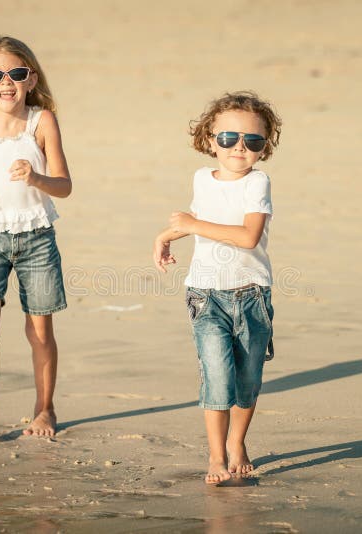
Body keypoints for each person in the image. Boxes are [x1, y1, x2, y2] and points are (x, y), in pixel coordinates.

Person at [153, 91, 281, 484]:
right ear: (210, 140)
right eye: (228, 138)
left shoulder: (257, 183)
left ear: (264, 147)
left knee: (248, 379)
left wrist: (191, 226)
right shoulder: (200, 179)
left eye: (252, 141)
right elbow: (199, 218)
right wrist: (167, 235)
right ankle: (215, 455)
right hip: (206, 295)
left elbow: (247, 237)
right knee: (217, 374)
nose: (239, 147)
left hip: (251, 295)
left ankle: (237, 442)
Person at [0, 35, 71, 438]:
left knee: (39, 331)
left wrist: (37, 177)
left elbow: (64, 185)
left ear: (31, 79)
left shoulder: (42, 122)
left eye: (17, 74)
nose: (7, 82)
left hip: (36, 237)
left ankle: (45, 409)